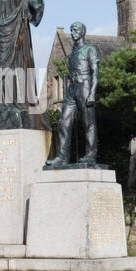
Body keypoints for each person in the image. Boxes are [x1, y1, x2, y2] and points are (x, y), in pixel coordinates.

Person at [47, 21, 99, 167]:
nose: (73, 31)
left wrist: (92, 93)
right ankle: (62, 156)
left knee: (89, 123)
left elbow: (95, 73)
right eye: (71, 29)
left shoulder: (90, 49)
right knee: (63, 122)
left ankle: (90, 155)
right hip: (72, 88)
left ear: (83, 31)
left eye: (76, 29)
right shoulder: (71, 54)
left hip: (85, 86)